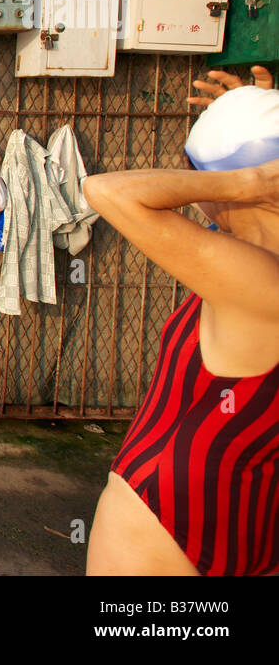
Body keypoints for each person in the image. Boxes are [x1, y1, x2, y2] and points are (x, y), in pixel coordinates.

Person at [84, 85, 279, 576]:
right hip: (255, 512)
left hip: (165, 516)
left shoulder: (253, 276)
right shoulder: (240, 259)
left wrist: (243, 178)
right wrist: (258, 122)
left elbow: (106, 191)